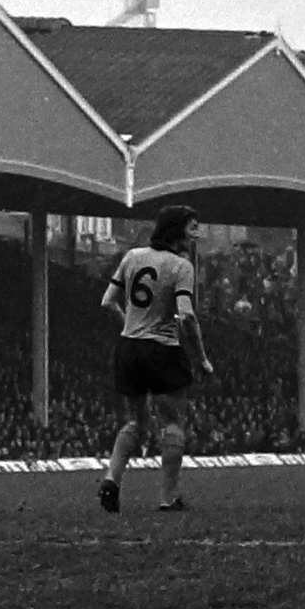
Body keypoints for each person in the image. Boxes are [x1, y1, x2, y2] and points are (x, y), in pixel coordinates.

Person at [97, 205, 214, 513]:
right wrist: (201, 359)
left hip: (128, 348)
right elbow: (186, 316)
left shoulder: (132, 257)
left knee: (134, 420)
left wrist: (129, 325)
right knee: (173, 421)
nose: (197, 233)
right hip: (162, 348)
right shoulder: (180, 266)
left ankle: (111, 478)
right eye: (193, 227)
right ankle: (169, 497)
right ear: (177, 230)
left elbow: (108, 301)